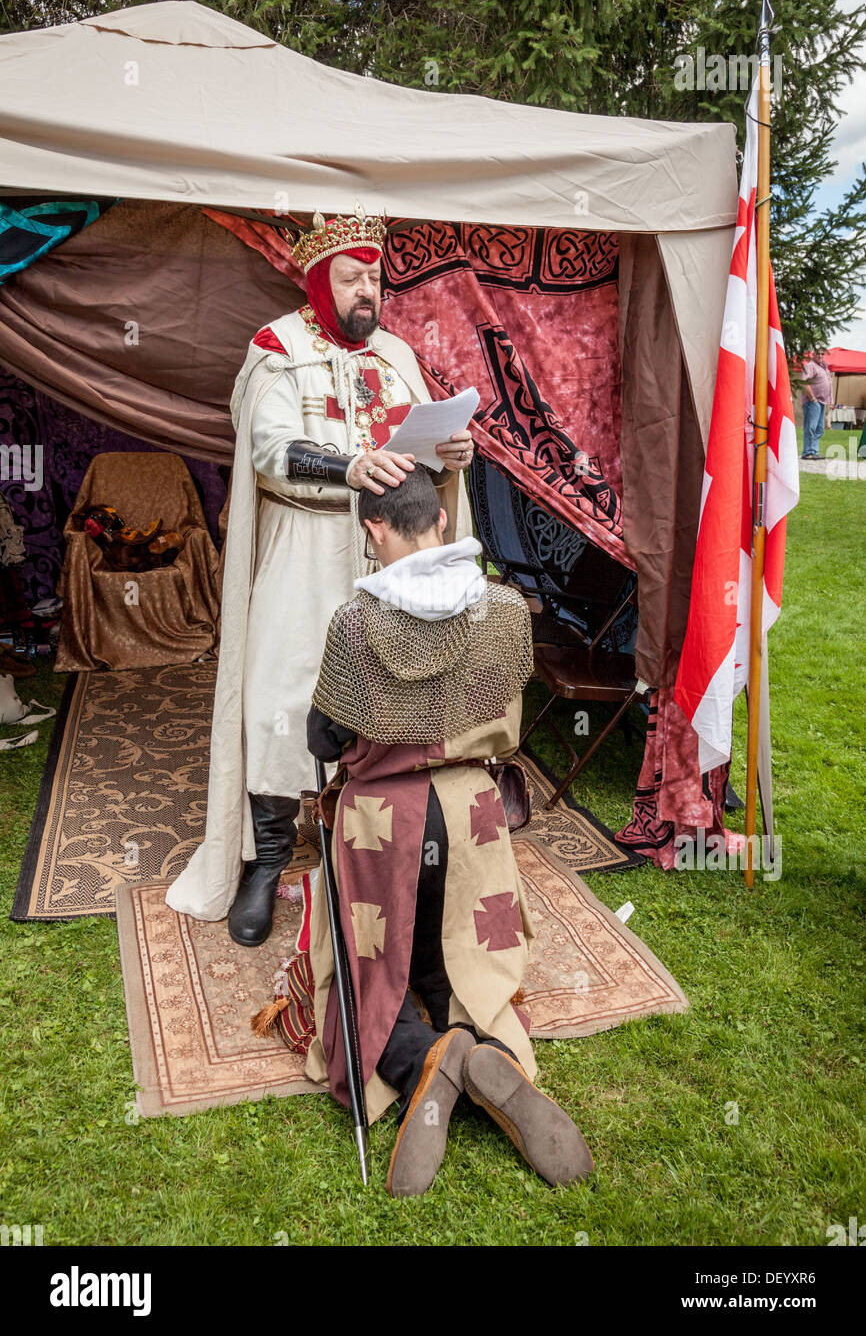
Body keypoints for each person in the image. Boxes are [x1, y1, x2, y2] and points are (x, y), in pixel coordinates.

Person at [165, 205, 473, 944]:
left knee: (384, 696)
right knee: (282, 698)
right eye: (352, 276)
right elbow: (269, 447)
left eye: (375, 276)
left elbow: (419, 446)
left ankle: (360, 857)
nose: (368, 289)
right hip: (303, 552)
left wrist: (451, 454)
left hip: (386, 559)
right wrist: (350, 466)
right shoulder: (277, 348)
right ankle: (267, 864)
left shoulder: (397, 355)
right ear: (317, 278)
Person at [302, 467, 595, 1196]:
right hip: (474, 813)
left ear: (374, 527)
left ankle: (419, 1060)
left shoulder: (355, 622)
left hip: (380, 828)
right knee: (461, 961)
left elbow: (323, 739)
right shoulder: (501, 608)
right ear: (440, 517)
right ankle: (488, 1049)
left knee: (367, 976)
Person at [799, 349, 833, 460]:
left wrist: (830, 402)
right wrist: (812, 398)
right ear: (813, 355)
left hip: (822, 402)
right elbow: (805, 383)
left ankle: (813, 451)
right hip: (812, 401)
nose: (820, 355)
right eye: (817, 353)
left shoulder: (825, 368)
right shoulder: (810, 366)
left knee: (820, 429)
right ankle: (808, 452)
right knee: (811, 427)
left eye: (822, 354)